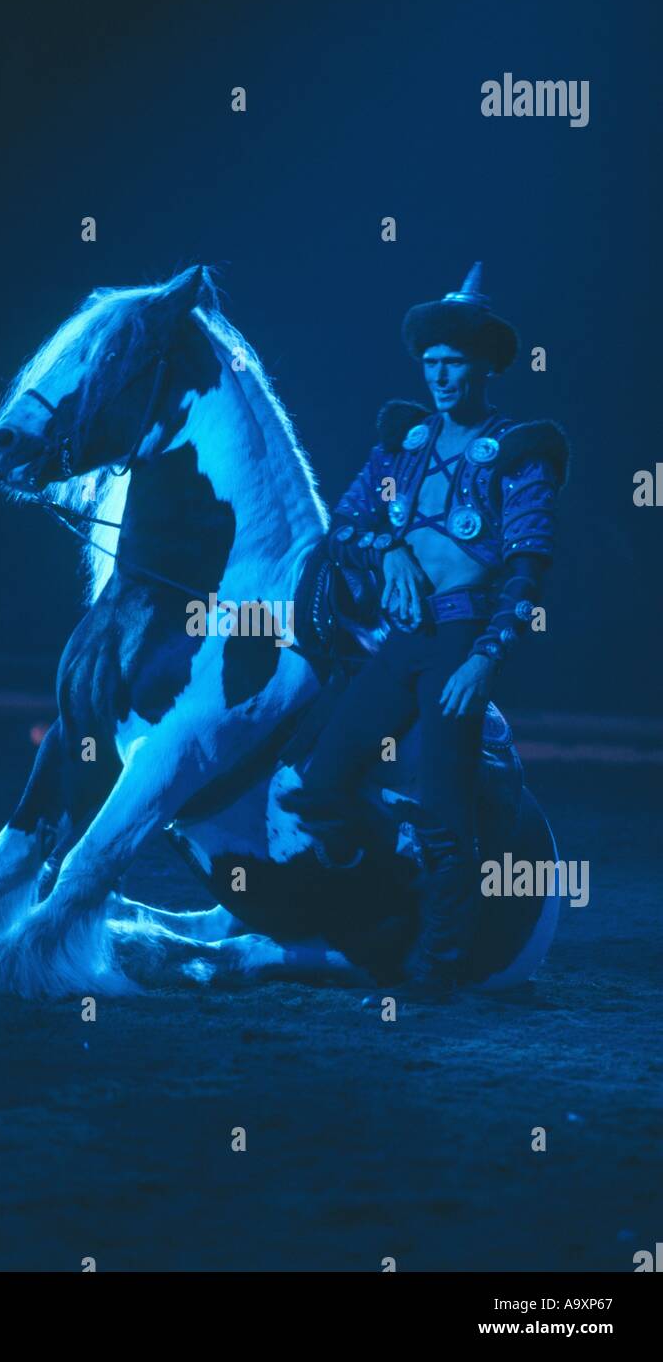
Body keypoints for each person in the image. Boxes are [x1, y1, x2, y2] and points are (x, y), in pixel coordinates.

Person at [284, 263, 569, 993]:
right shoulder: (402, 447)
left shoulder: (515, 452)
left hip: (459, 646)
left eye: (454, 364)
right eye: (432, 364)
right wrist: (393, 549)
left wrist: (484, 662)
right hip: (403, 642)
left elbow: (526, 571)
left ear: (483, 368)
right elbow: (345, 525)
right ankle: (374, 894)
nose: (441, 377)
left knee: (443, 815)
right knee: (319, 785)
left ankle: (441, 961)